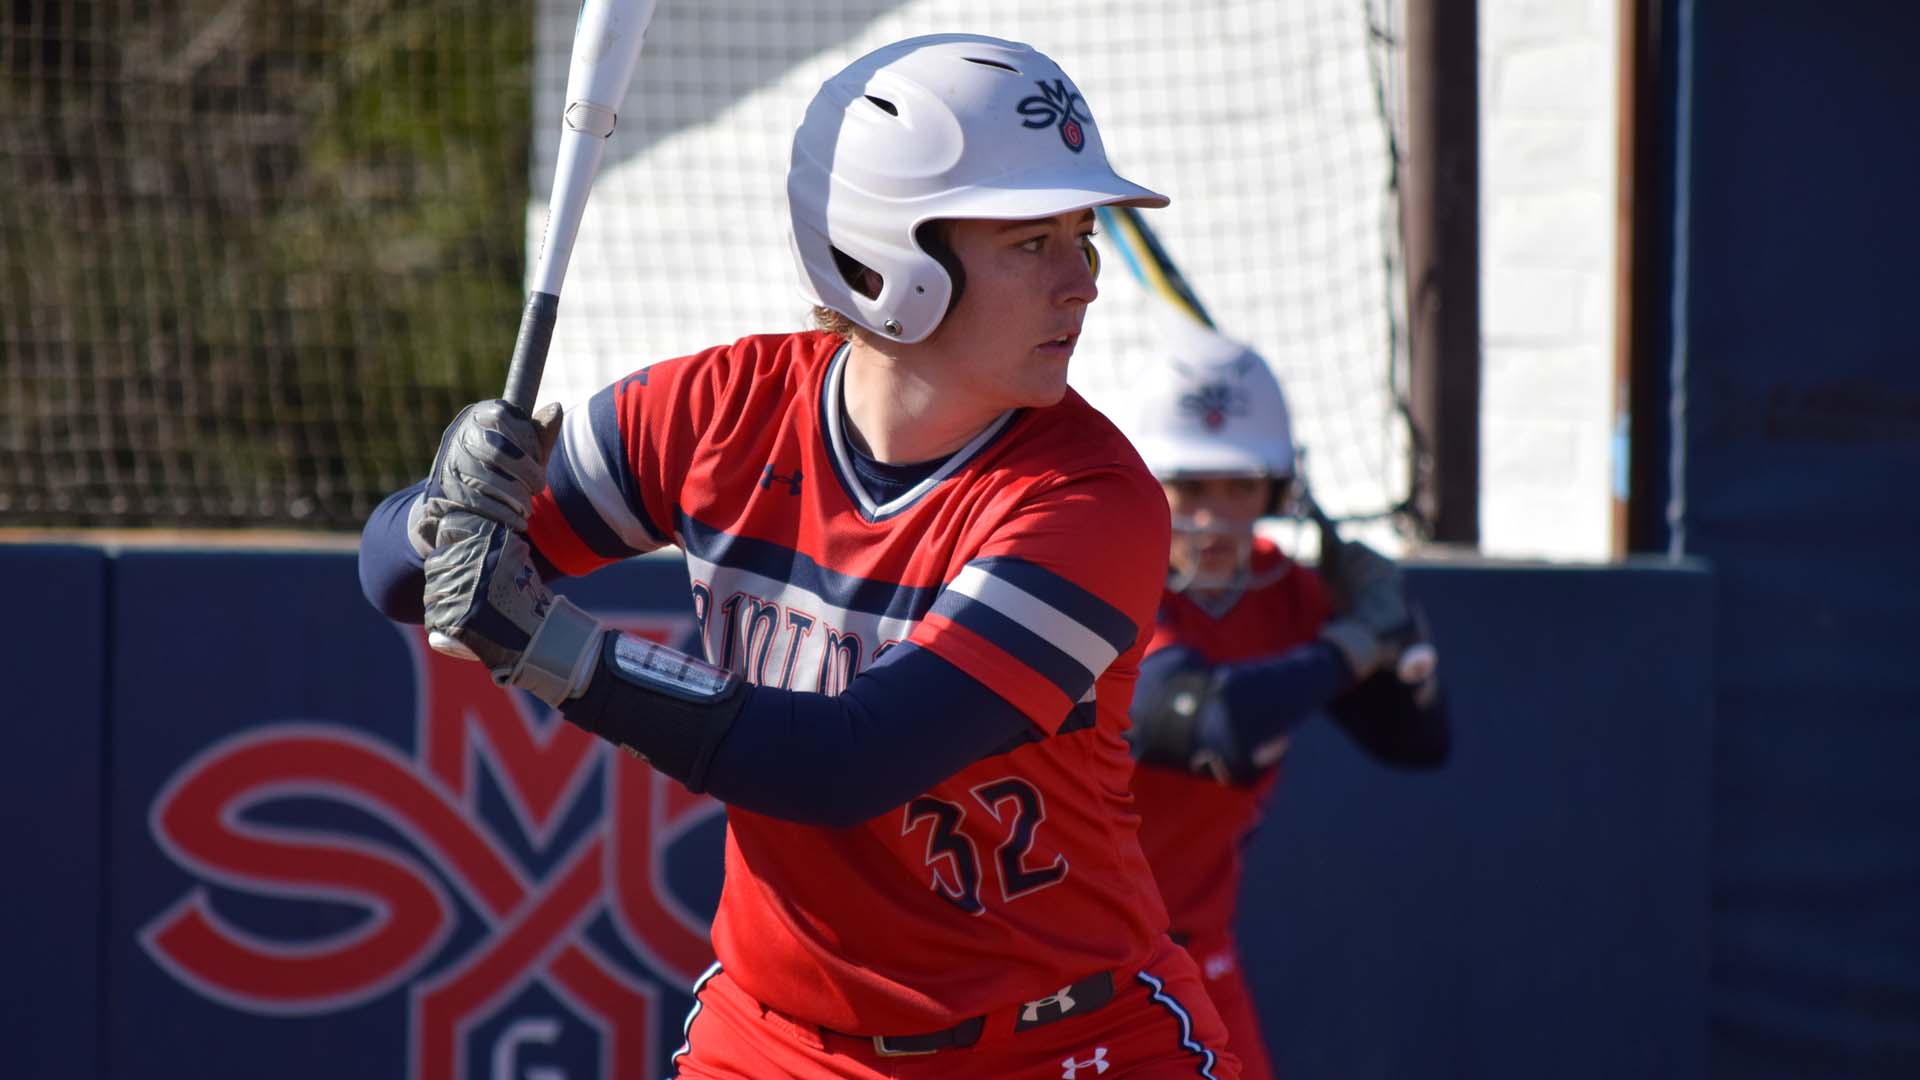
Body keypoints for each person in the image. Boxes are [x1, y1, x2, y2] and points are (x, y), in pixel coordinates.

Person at [359, 34, 1240, 1080]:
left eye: (1079, 237)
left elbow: (844, 762)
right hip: (781, 1042)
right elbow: (395, 578)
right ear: (885, 260)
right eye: (1029, 243)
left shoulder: (1091, 500)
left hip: (1065, 1039)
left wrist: (554, 652)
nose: (1082, 284)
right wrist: (448, 512)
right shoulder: (716, 410)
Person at [1114, 312, 1451, 1080]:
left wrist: (1396, 622)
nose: (1214, 516)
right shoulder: (1113, 591)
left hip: (1197, 952)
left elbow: (1416, 741)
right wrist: (1352, 646)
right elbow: (1216, 726)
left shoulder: (1289, 595)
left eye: (1241, 485)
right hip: (1066, 958)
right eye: (1191, 485)